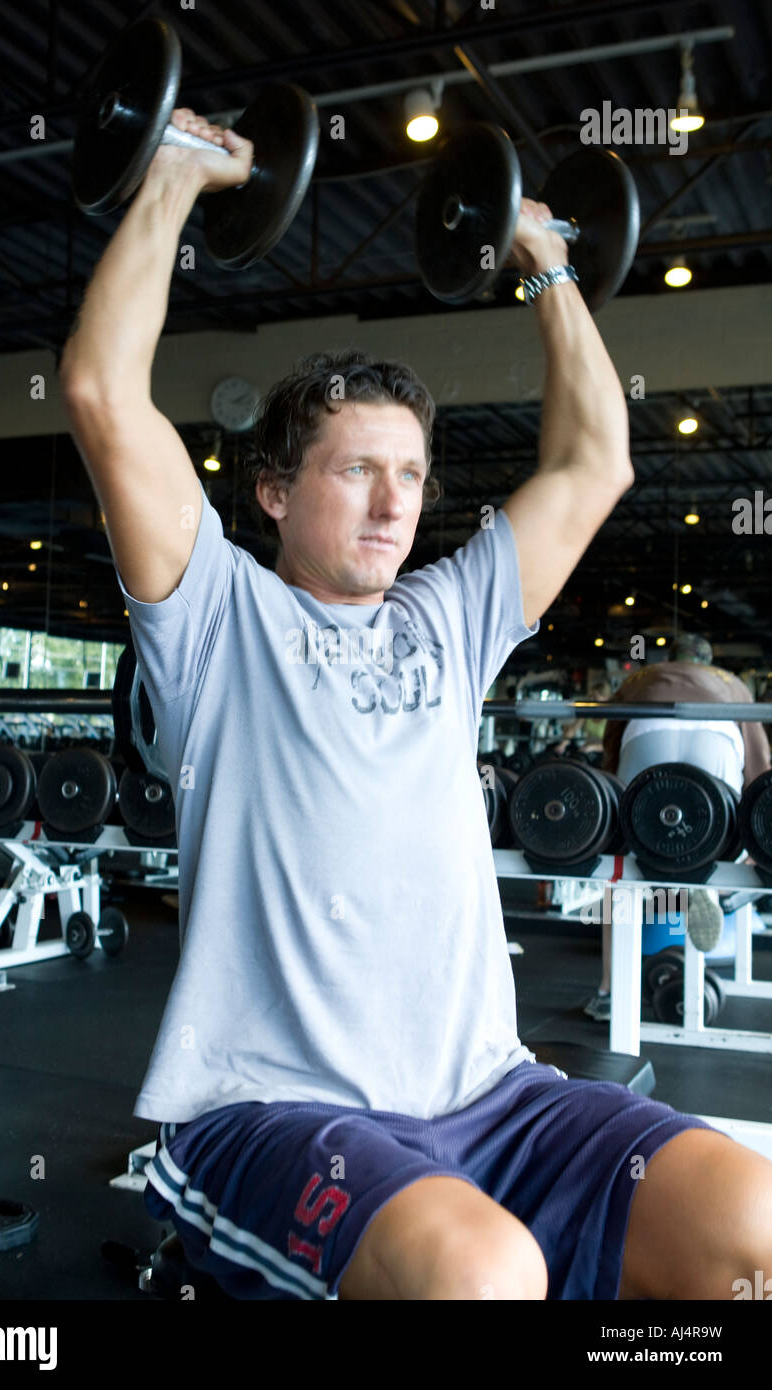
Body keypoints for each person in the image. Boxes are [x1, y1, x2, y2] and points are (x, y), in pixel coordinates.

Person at [59, 108, 772, 1301]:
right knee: (482, 1274)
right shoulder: (216, 614)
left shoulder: (447, 617)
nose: (392, 504)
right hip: (270, 1109)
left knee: (746, 1213)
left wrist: (544, 261)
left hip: (489, 1094)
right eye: (354, 471)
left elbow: (596, 463)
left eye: (409, 477)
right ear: (275, 491)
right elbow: (97, 387)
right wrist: (178, 173)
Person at [584, 634, 772, 1021]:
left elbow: (612, 739)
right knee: (721, 836)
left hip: (646, 741)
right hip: (715, 742)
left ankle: (608, 992)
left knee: (618, 876)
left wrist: (610, 819)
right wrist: (754, 842)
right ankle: (707, 887)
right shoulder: (729, 682)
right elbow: (758, 763)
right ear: (707, 658)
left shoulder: (643, 676)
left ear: (671, 657)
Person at [552, 678, 610, 757]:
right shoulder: (588, 712)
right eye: (591, 696)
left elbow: (611, 744)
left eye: (595, 697)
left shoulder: (610, 717)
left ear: (606, 698)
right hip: (588, 752)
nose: (591, 699)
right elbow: (572, 729)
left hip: (603, 755)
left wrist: (592, 748)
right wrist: (563, 744)